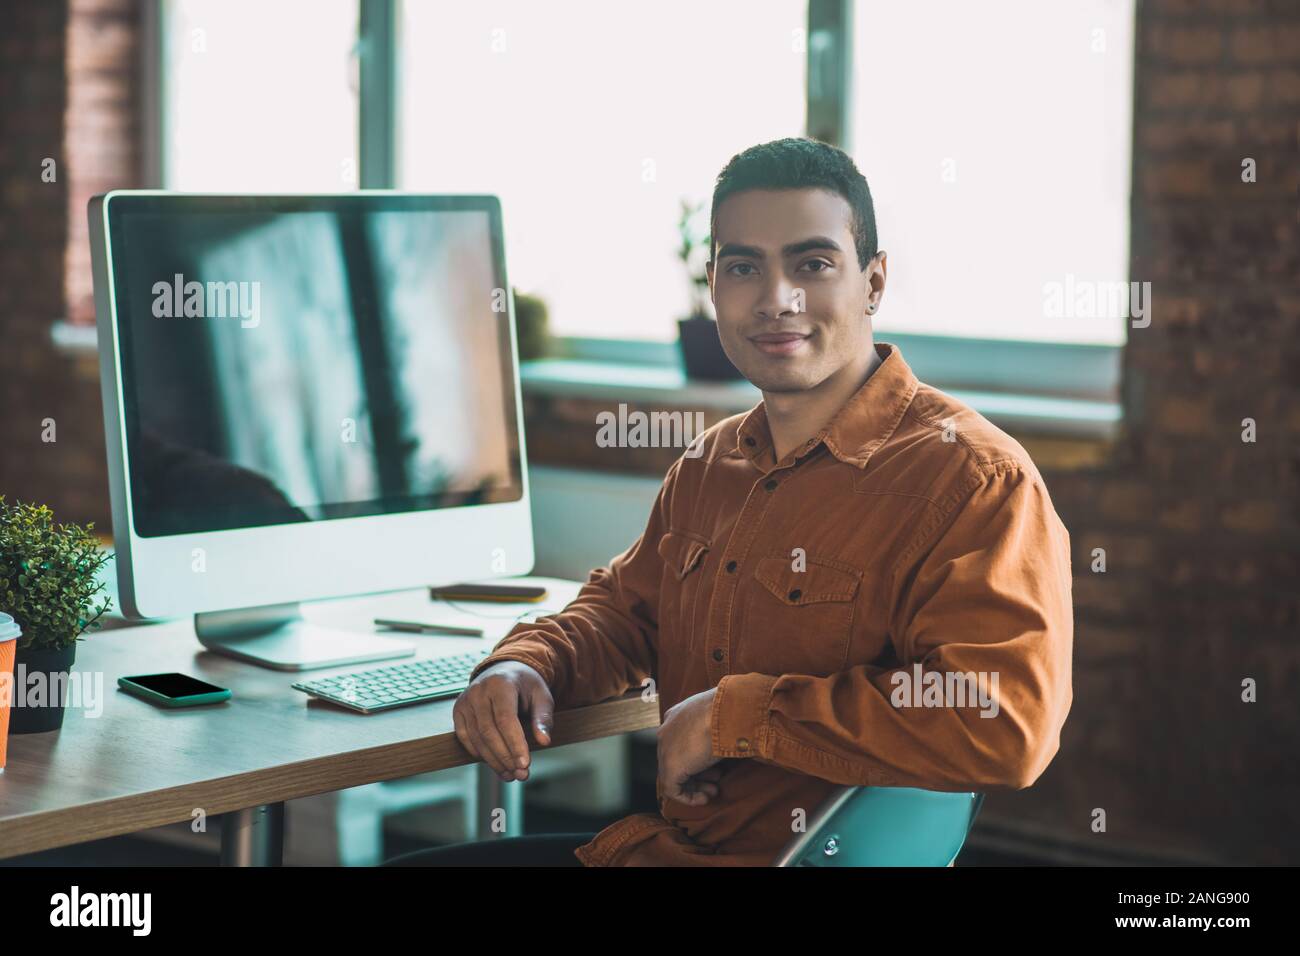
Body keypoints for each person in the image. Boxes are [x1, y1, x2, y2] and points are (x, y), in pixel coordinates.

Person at [385, 136, 1074, 867]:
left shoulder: (974, 479)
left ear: (873, 283)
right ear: (713, 287)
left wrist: (736, 716)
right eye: (744, 267)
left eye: (812, 264)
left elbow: (1003, 719)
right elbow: (623, 611)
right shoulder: (712, 462)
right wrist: (525, 664)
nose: (777, 299)